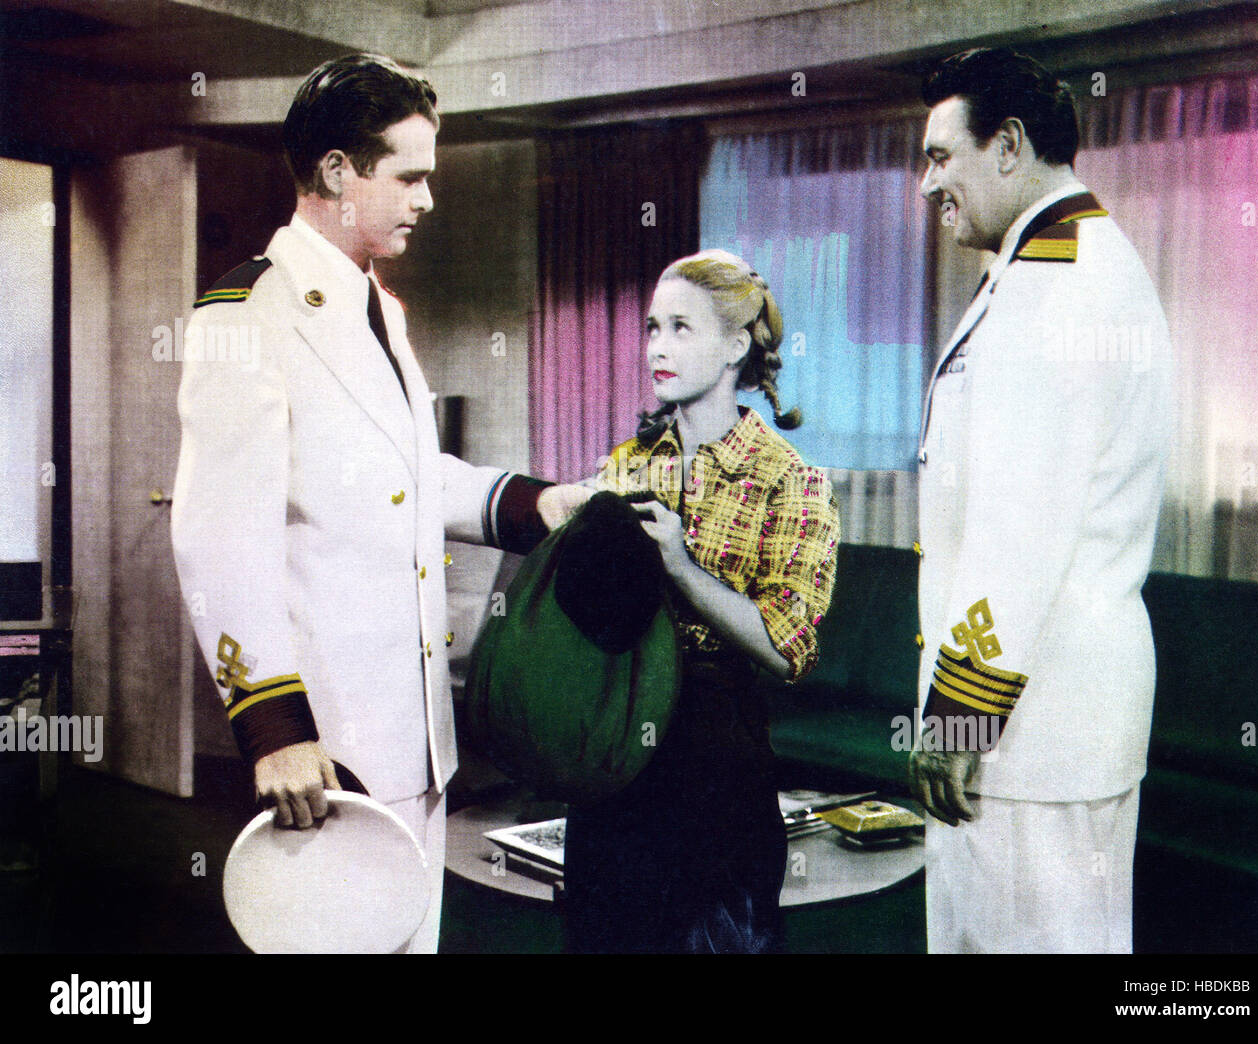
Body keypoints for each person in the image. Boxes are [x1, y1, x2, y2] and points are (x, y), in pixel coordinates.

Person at [170, 53, 588, 953]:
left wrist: (536, 503)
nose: (426, 199)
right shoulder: (247, 313)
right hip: (328, 744)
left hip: (417, 740)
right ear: (335, 173)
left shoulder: (377, 310)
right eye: (409, 176)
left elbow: (408, 478)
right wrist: (274, 726)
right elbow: (215, 536)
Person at [907, 47, 1174, 953]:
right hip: (1062, 723)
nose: (926, 183)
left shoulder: (1053, 289)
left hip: (1023, 733)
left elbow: (1018, 527)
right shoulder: (1078, 263)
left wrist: (957, 712)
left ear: (1009, 145)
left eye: (942, 156)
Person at [562, 249, 840, 953]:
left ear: (737, 345)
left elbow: (789, 647)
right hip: (615, 753)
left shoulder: (792, 481)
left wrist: (682, 570)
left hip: (718, 765)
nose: (657, 346)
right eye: (653, 327)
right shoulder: (622, 465)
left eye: (681, 328)